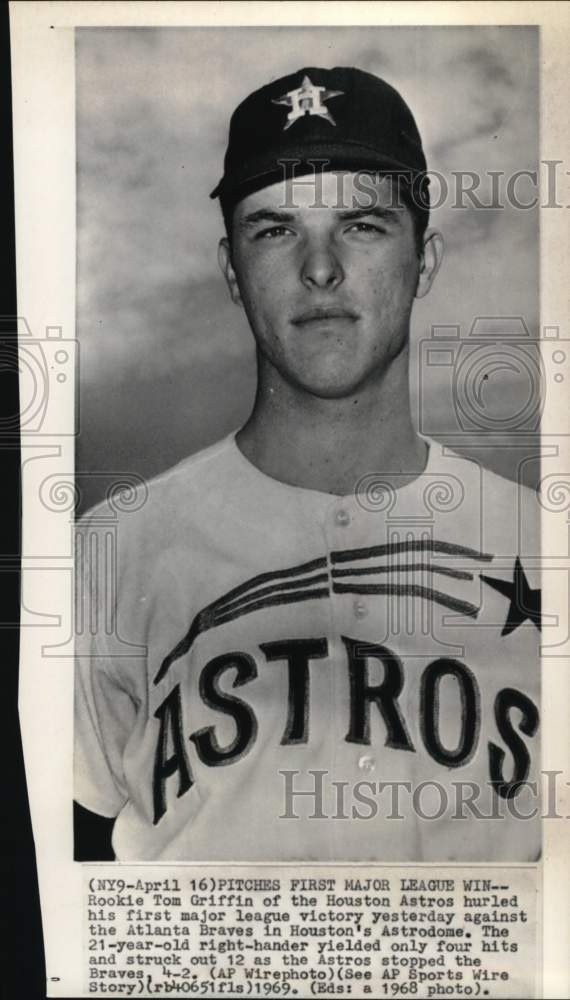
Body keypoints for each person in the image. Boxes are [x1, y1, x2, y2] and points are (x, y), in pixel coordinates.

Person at [74, 66, 540, 862]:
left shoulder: (544, 543)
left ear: (425, 262)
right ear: (232, 270)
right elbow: (58, 867)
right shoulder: (111, 550)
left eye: (362, 225)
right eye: (275, 230)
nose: (320, 270)